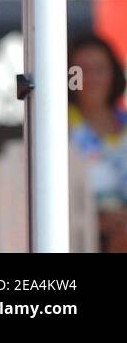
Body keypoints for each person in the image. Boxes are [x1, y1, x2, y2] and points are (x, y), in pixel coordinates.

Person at [68, 35, 127, 252]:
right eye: (82, 70)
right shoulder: (56, 130)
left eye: (99, 69)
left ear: (113, 74)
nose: (91, 78)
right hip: (81, 235)